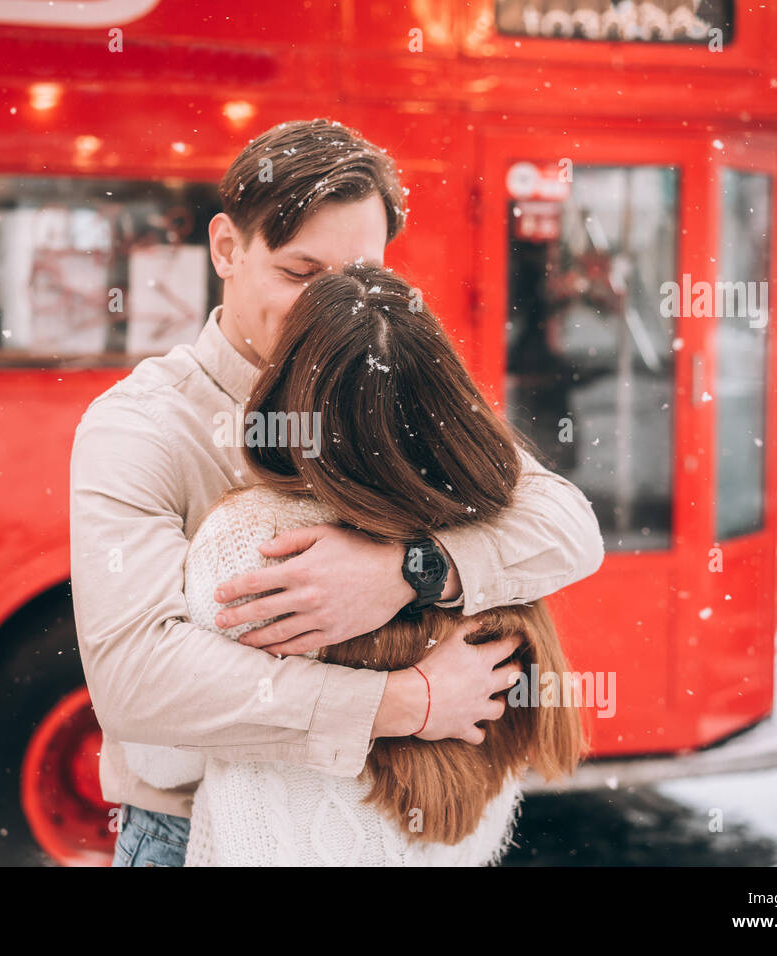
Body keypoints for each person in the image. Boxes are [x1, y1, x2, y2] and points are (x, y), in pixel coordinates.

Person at [69, 118, 604, 867]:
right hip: (200, 836)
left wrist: (408, 571)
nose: (331, 309)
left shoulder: (385, 377)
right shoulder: (141, 428)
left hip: (396, 829)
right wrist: (405, 704)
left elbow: (567, 525)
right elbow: (135, 682)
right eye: (300, 274)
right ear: (226, 247)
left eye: (358, 275)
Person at [127, 264, 587, 865]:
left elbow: (161, 757)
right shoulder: (504, 522)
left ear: (285, 395)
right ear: (452, 399)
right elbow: (579, 528)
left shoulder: (249, 541)